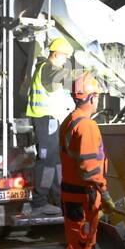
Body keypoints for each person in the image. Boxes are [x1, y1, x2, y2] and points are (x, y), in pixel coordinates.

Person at [57, 73, 119, 249]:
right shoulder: (87, 126)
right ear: (92, 98)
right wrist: (105, 194)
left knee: (76, 242)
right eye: (98, 97)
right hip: (84, 195)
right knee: (83, 243)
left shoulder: (69, 121)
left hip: (71, 192)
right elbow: (90, 167)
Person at [26, 36, 75, 214]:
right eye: (64, 57)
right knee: (47, 161)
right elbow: (53, 85)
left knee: (55, 161)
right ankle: (39, 203)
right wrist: (75, 73)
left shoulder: (47, 68)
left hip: (50, 121)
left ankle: (57, 197)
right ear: (55, 54)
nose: (65, 61)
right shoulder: (46, 68)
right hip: (44, 120)